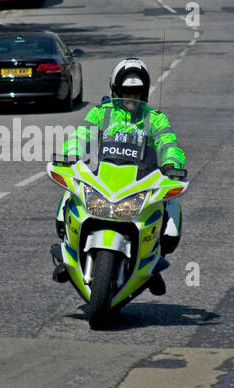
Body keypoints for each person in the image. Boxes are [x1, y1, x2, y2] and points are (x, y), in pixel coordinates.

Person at [54, 58, 185, 295]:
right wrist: (71, 152)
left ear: (144, 93)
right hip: (101, 175)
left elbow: (168, 142)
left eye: (136, 92)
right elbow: (81, 135)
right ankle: (67, 255)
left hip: (139, 179)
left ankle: (154, 266)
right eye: (126, 92)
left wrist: (171, 162)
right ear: (115, 90)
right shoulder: (100, 113)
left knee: (171, 205)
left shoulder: (155, 118)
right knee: (69, 192)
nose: (131, 98)